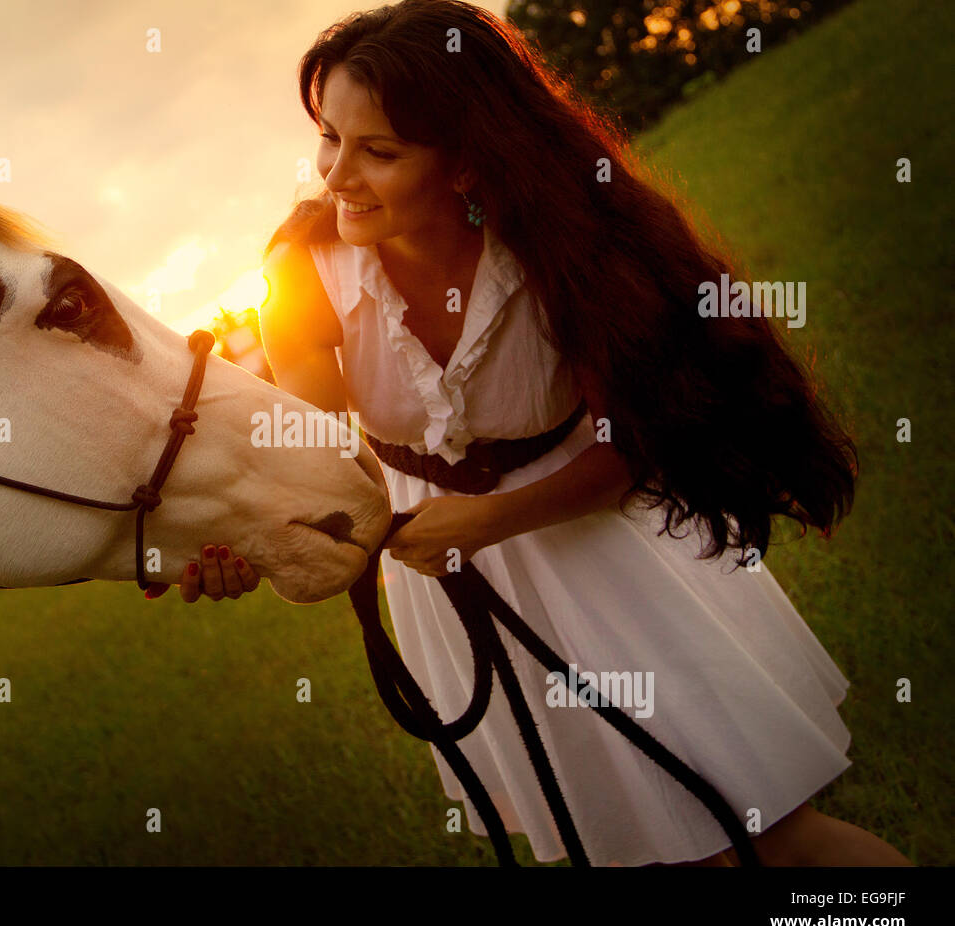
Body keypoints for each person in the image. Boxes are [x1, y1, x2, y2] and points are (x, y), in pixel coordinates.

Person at [150, 0, 911, 866]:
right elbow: (313, 456)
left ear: (469, 158)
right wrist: (243, 541)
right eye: (329, 137)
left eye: (379, 151)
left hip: (601, 552)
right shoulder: (302, 274)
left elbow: (647, 437)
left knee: (767, 835)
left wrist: (485, 522)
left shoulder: (562, 243)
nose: (334, 176)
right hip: (449, 586)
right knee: (631, 848)